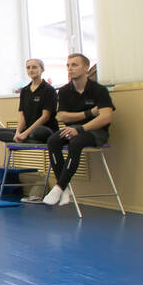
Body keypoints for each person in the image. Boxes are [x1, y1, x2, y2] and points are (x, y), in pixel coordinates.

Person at [44, 53, 115, 207]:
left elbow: (105, 118)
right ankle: (65, 188)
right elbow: (62, 116)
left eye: (74, 65)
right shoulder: (64, 91)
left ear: (86, 68)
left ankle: (59, 187)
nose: (70, 68)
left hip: (96, 132)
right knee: (53, 140)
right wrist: (89, 113)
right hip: (73, 129)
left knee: (76, 142)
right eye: (68, 65)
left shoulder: (99, 90)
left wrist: (81, 128)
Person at [0, 59, 57, 146]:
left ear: (42, 70)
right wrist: (18, 132)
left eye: (34, 67)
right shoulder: (25, 90)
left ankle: (27, 138)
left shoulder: (49, 90)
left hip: (44, 129)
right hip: (28, 129)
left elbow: (45, 117)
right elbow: (22, 116)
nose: (31, 70)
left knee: (37, 132)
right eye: (28, 68)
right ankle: (25, 139)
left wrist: (25, 133)